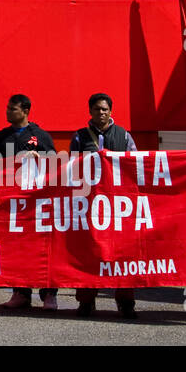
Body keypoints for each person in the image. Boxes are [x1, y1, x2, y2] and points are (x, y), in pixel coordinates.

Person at [69, 93, 138, 319]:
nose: (101, 113)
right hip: (90, 205)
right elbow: (72, 168)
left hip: (119, 206)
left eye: (105, 109)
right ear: (90, 111)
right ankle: (86, 301)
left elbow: (135, 165)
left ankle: (126, 302)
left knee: (123, 255)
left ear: (111, 111)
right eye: (98, 109)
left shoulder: (124, 136)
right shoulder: (79, 137)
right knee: (89, 253)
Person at [0, 93, 58, 310]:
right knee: (17, 248)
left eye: (13, 109)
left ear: (26, 111)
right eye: (8, 108)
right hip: (13, 203)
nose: (8, 112)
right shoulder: (1, 137)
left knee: (43, 248)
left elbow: (57, 165)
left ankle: (49, 294)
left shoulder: (40, 135)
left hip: (38, 204)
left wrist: (42, 159)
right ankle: (21, 292)